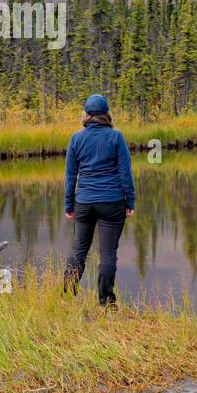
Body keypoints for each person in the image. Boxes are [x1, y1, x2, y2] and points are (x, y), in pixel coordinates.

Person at [63, 94, 135, 305]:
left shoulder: (76, 138)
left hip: (84, 202)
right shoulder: (116, 137)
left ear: (85, 115)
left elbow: (70, 176)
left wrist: (69, 204)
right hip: (112, 202)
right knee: (108, 254)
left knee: (79, 249)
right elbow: (125, 173)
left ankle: (67, 295)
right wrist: (130, 201)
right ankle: (105, 301)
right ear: (106, 115)